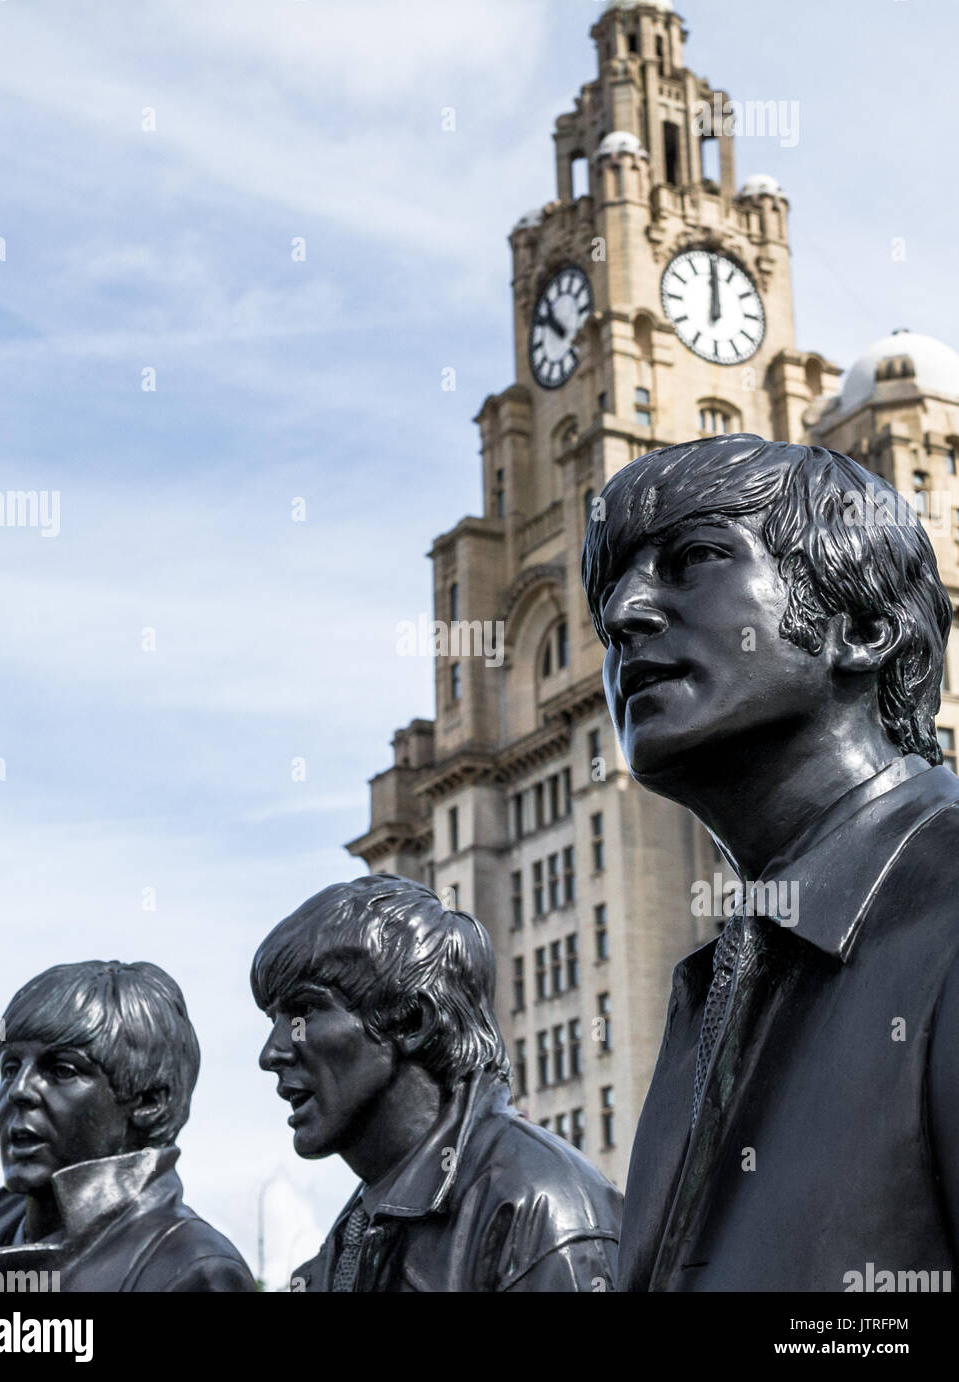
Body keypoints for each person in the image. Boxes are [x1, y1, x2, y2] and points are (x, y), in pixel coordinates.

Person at [581, 432, 959, 1291]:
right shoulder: (709, 991)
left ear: (860, 628)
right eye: (612, 587)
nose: (623, 613)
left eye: (696, 558)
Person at [252, 874, 622, 1291]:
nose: (272, 1053)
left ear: (412, 1020)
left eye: (304, 1012)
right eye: (275, 1021)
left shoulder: (541, 1208)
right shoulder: (353, 1234)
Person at [0, 960, 256, 1292]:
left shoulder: (190, 1269)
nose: (19, 1090)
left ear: (149, 1101)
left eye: (63, 1070)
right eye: (10, 1068)